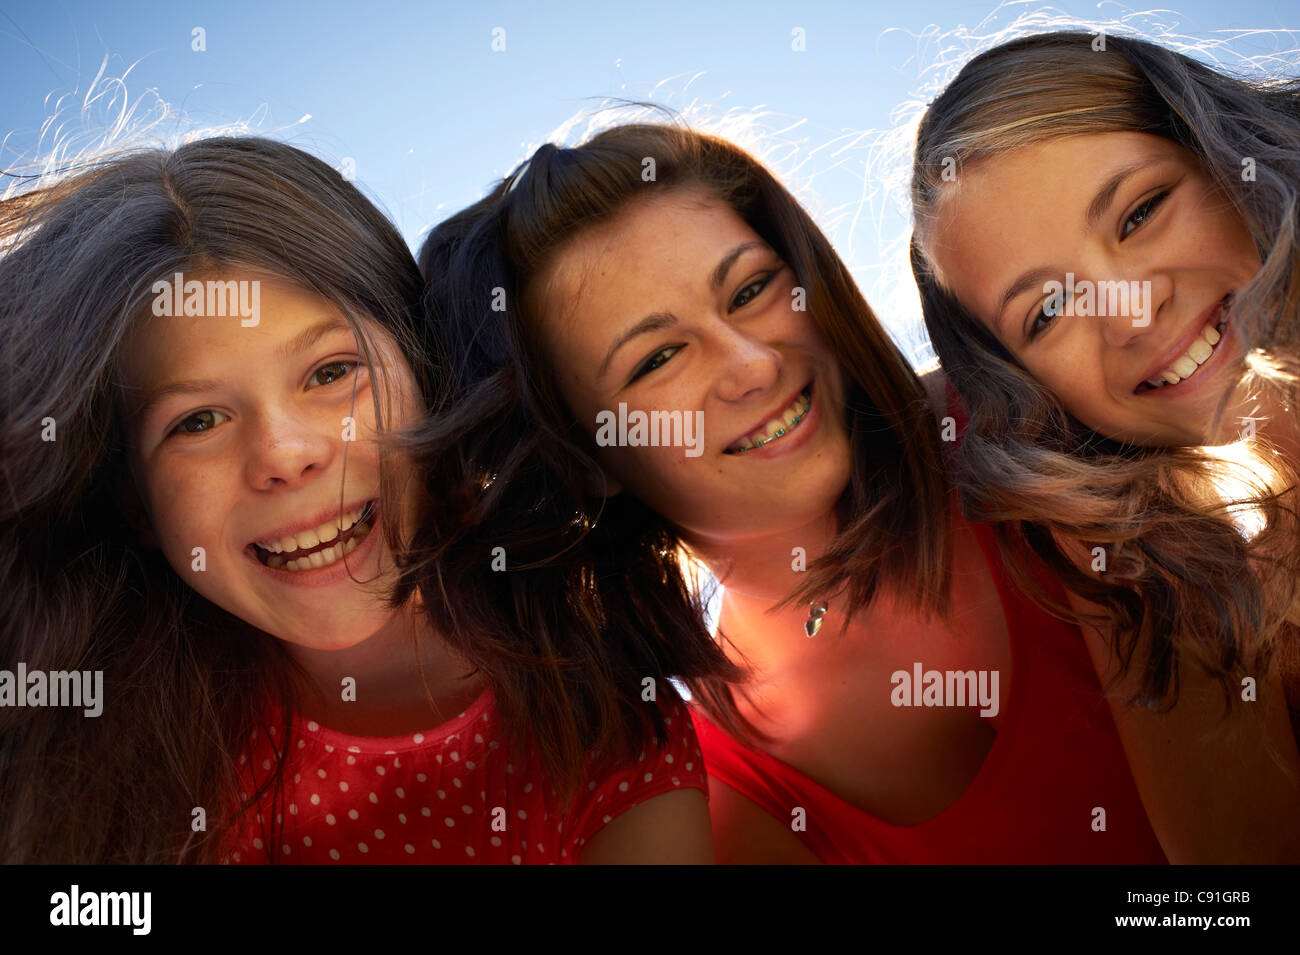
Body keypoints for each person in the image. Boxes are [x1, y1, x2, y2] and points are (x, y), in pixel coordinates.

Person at [420, 122, 1168, 863]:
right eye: (658, 359)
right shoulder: (719, 794)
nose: (751, 364)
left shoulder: (1033, 420)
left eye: (750, 289)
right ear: (586, 458)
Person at [0, 136, 723, 864]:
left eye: (331, 371)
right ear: (134, 504)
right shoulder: (70, 749)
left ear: (425, 372)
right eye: (197, 421)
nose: (285, 454)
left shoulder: (604, 717)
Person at [909, 30, 1300, 861]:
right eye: (1045, 314)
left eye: (1139, 213)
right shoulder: (1167, 586)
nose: (1129, 313)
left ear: (1225, 155)